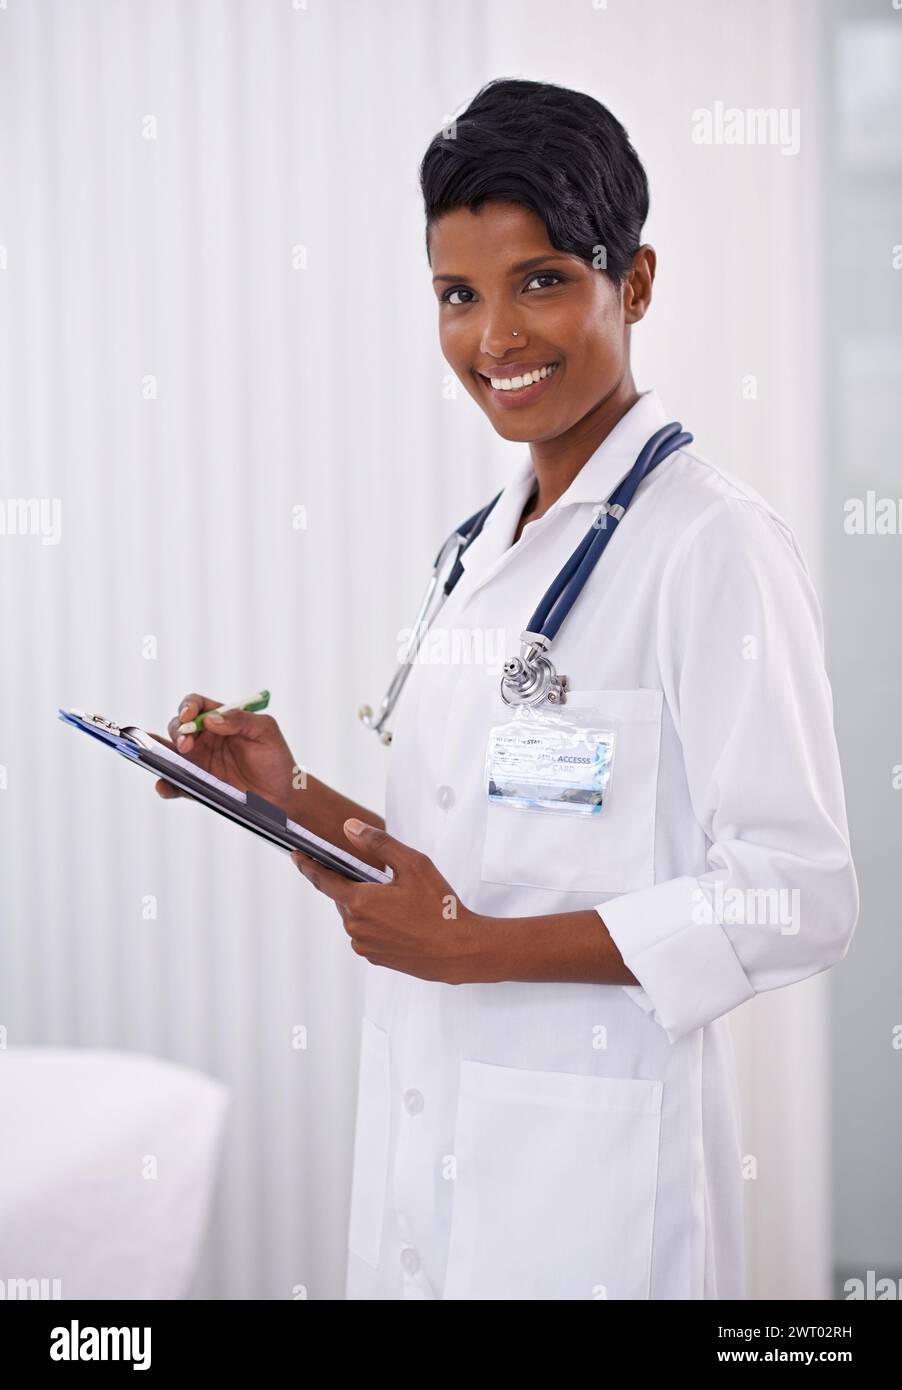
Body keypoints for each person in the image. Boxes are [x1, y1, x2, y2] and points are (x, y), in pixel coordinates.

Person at [155, 78, 859, 1300]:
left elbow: (798, 896)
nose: (494, 339)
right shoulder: (480, 547)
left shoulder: (712, 547)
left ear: (631, 283)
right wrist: (292, 794)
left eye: (538, 280)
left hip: (591, 1201)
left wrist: (474, 950)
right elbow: (462, 851)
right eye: (456, 296)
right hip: (430, 1162)